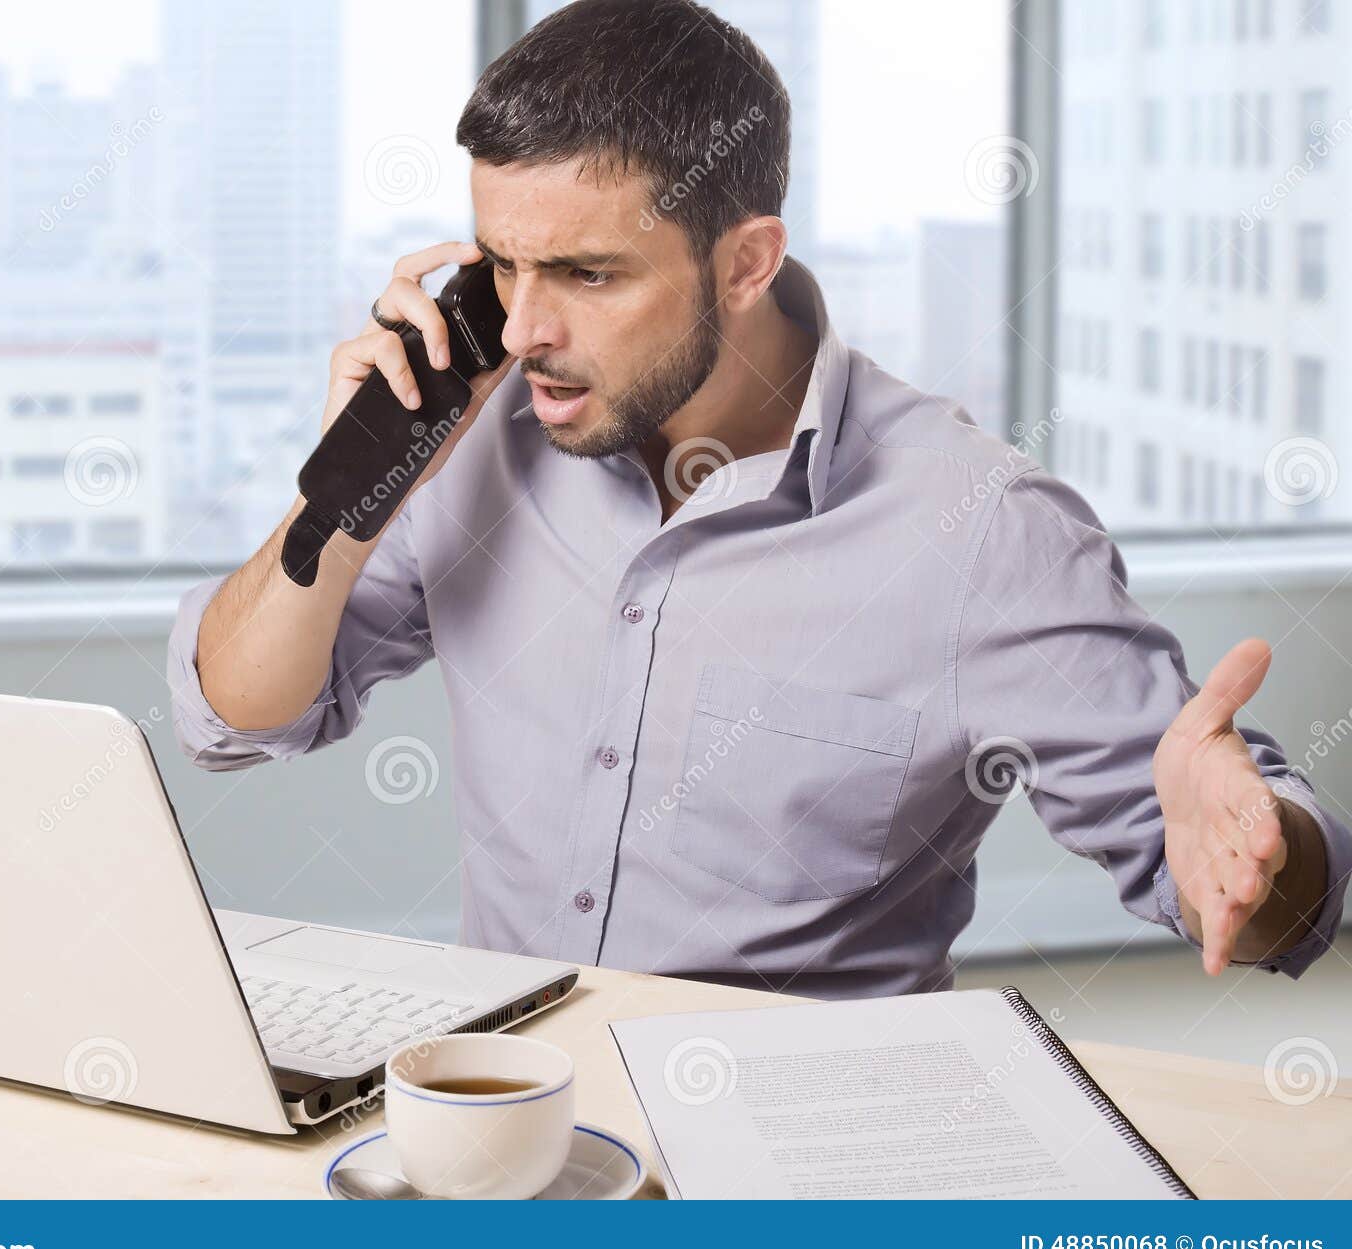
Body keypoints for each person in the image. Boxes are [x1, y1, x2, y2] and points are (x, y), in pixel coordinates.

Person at [167, 0, 1348, 999]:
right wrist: (355, 487)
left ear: (745, 262)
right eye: (502, 266)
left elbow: (1278, 907)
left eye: (586, 273)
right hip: (517, 1125)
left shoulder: (977, 529)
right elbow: (237, 720)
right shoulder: (473, 439)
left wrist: (1259, 852)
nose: (522, 329)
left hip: (800, 1156)